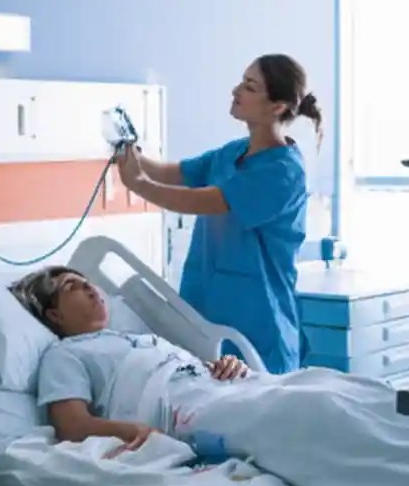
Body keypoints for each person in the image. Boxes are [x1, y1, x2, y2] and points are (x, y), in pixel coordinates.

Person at [9, 266, 409, 486]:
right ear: (52, 315)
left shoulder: (132, 336)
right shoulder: (65, 355)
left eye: (89, 280)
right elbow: (71, 425)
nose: (92, 288)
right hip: (192, 416)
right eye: (74, 286)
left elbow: (192, 370)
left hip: (228, 389)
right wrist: (133, 428)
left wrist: (225, 365)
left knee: (348, 390)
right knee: (319, 412)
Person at [114, 54, 323, 374]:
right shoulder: (234, 152)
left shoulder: (283, 171)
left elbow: (206, 201)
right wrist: (130, 154)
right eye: (241, 81)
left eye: (250, 87)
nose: (236, 90)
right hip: (206, 309)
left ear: (277, 106)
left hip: (258, 321)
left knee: (257, 411)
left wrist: (138, 185)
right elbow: (177, 173)